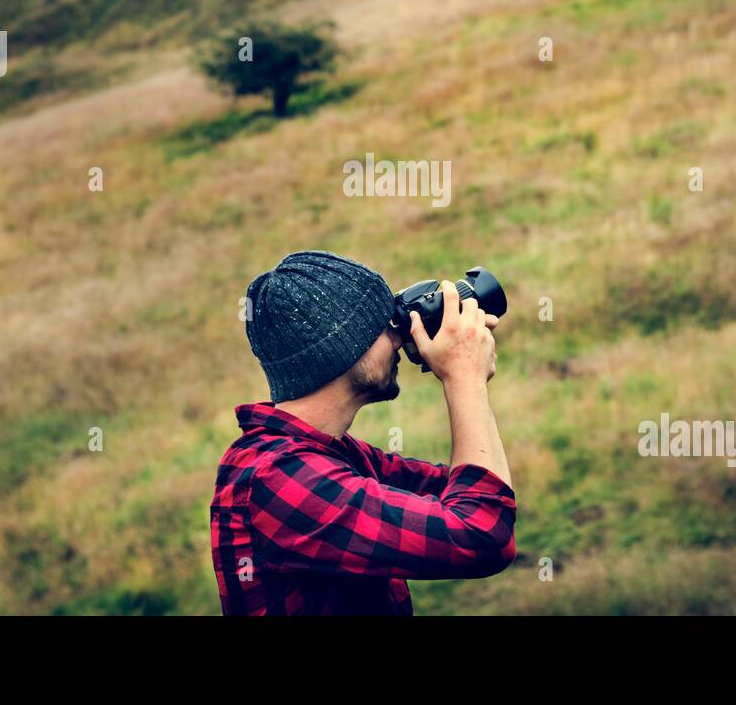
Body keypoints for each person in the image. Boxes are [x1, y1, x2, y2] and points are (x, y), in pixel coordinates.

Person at [210, 250, 516, 615]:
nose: (400, 338)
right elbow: (482, 534)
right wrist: (465, 379)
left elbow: (480, 495)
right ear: (343, 348)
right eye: (384, 325)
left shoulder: (329, 455)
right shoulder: (279, 478)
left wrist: (467, 369)